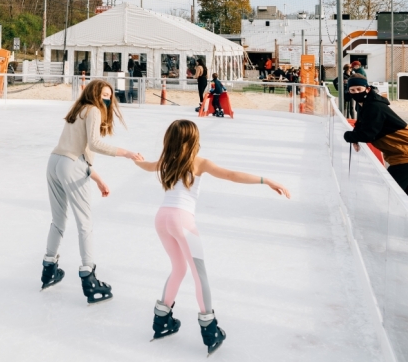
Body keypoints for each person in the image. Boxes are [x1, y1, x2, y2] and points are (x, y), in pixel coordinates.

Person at [134, 119, 290, 355]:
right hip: (182, 220)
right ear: (193, 140)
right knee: (199, 275)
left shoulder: (167, 160)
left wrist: (137, 160)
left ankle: (161, 320)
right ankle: (209, 329)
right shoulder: (199, 162)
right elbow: (231, 175)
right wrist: (265, 180)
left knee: (178, 268)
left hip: (162, 218)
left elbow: (148, 166)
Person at [40, 79, 143, 302]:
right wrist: (126, 153)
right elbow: (94, 145)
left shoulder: (77, 110)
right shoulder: (94, 110)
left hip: (54, 162)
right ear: (95, 94)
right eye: (105, 95)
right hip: (70, 165)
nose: (108, 100)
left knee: (58, 220)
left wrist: (98, 180)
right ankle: (89, 277)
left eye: (110, 96)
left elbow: (74, 153)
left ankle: (49, 268)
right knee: (84, 223)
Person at [343, 76, 408, 209]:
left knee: (387, 191)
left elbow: (368, 134)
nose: (355, 93)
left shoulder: (374, 106)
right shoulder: (366, 104)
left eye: (359, 89)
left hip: (407, 154)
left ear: (367, 89)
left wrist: (348, 136)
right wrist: (355, 136)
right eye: (352, 91)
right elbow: (361, 124)